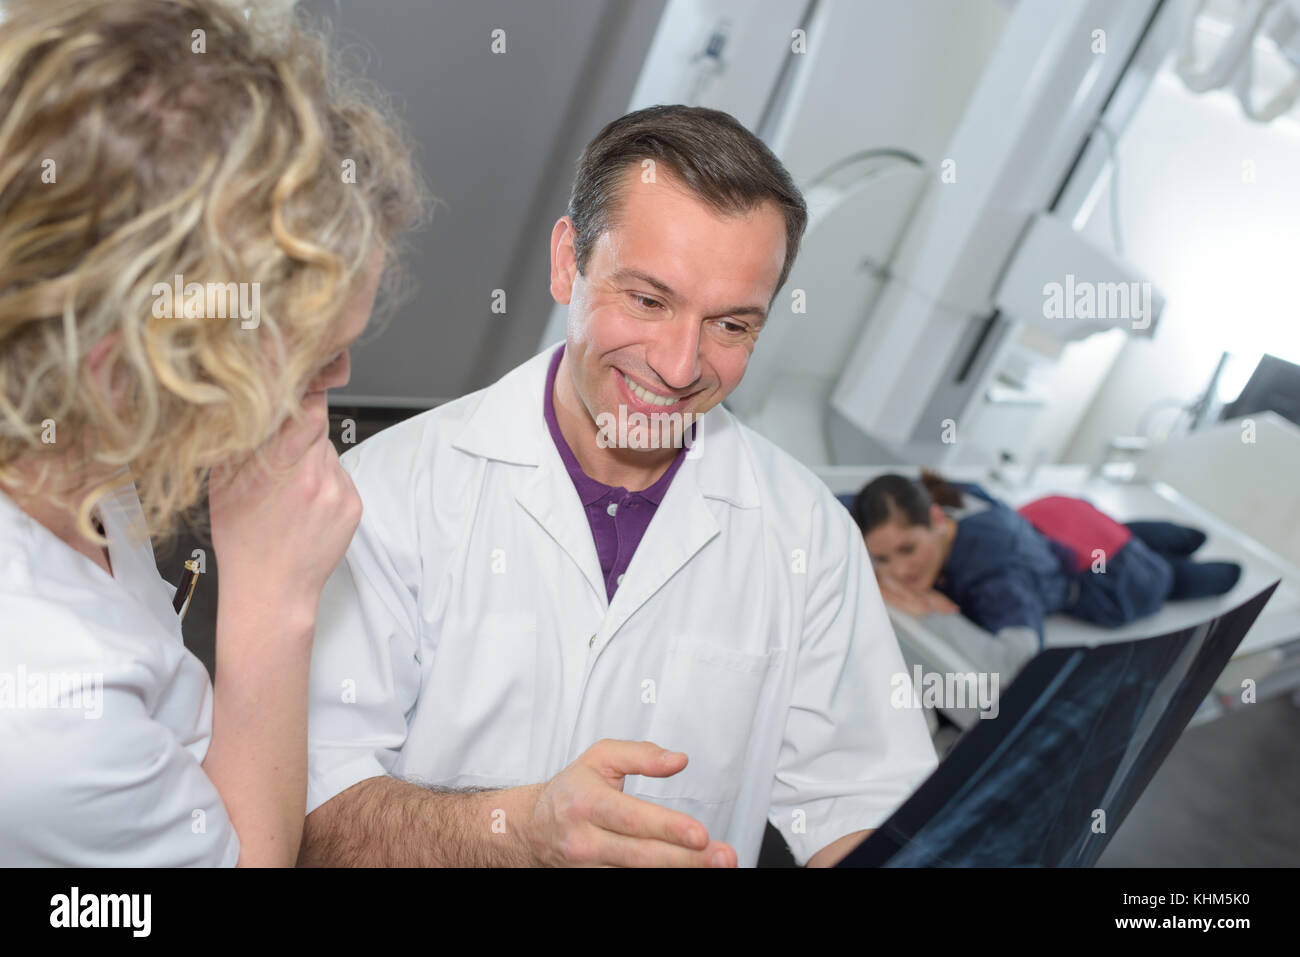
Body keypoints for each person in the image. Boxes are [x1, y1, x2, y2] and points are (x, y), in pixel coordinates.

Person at [299, 105, 938, 868]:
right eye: (647, 300)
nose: (678, 364)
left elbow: (862, 805)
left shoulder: (806, 534)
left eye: (732, 325)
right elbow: (311, 808)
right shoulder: (389, 493)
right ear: (569, 260)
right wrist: (521, 830)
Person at [0, 0, 426, 865]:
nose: (341, 384)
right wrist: (276, 600)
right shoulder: (44, 702)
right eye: (314, 361)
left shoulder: (83, 451)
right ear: (128, 376)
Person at [851, 470, 1242, 673]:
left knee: (1162, 578)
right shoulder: (936, 495)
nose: (898, 571)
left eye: (907, 550)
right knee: (1125, 533)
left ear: (936, 519)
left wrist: (931, 615)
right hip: (1056, 517)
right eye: (881, 559)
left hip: (1107, 581)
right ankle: (1167, 536)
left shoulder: (996, 580)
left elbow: (1016, 661)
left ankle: (1184, 564)